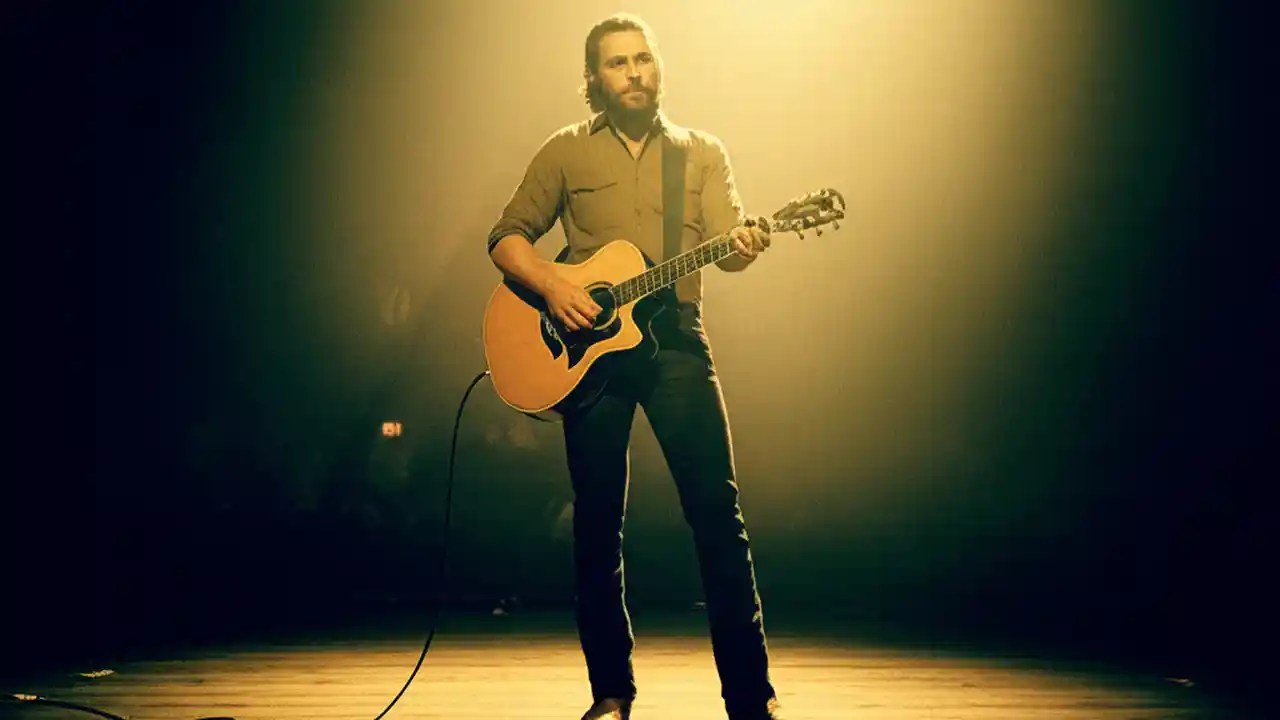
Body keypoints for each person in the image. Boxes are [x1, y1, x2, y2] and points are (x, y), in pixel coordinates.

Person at [485, 13, 782, 720]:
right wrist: (557, 288)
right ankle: (611, 695)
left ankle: (750, 698)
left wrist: (744, 243)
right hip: (590, 359)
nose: (634, 73)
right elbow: (506, 239)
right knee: (596, 523)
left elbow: (728, 244)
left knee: (717, 516)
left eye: (643, 59)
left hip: (677, 343)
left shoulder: (701, 151)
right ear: (594, 78)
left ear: (658, 68)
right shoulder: (564, 152)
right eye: (617, 63)